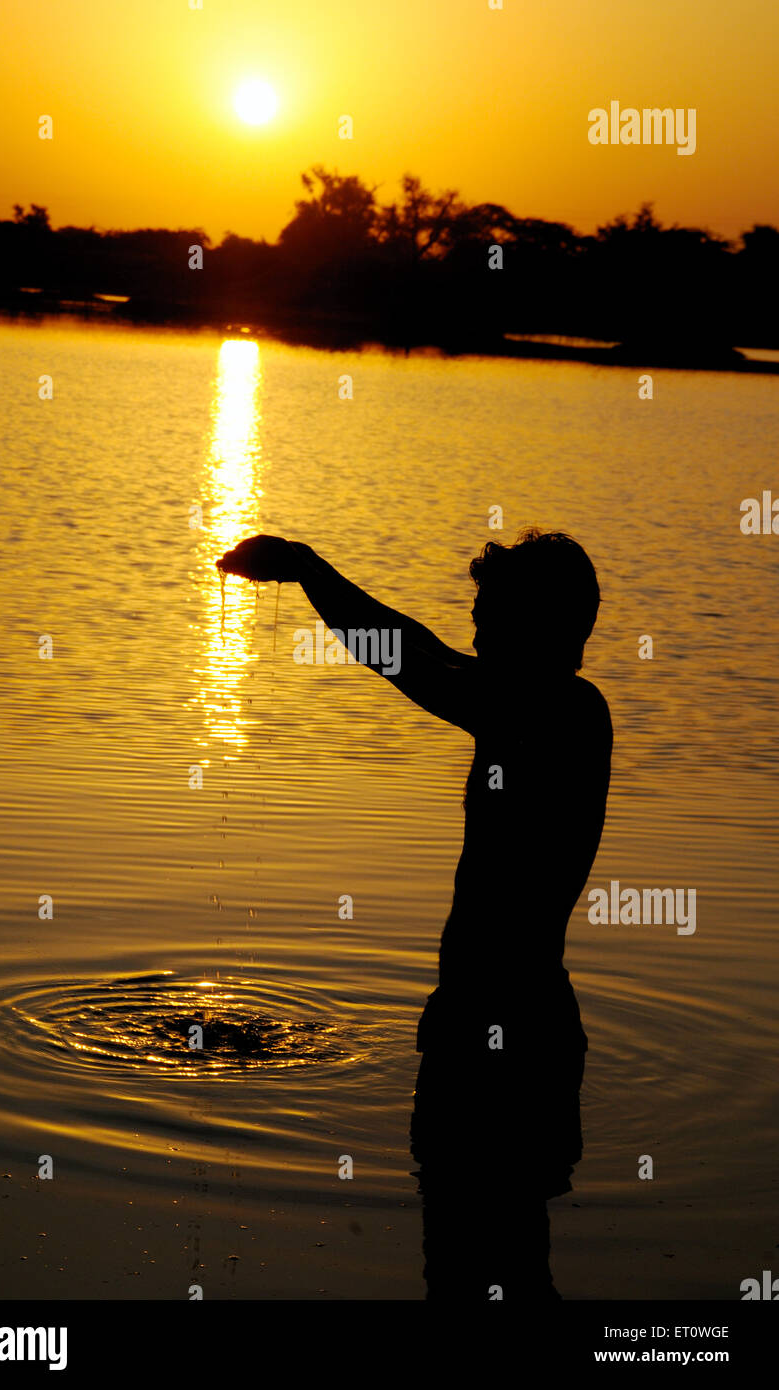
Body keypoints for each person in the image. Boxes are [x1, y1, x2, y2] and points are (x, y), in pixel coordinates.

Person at [217, 528, 613, 1299]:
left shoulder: (557, 713)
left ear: (538, 625)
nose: (474, 631)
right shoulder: (522, 700)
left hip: (508, 1044)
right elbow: (419, 646)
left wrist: (308, 569)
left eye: (490, 615)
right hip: (482, 1027)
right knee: (478, 1270)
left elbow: (406, 661)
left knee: (484, 1276)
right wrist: (306, 568)